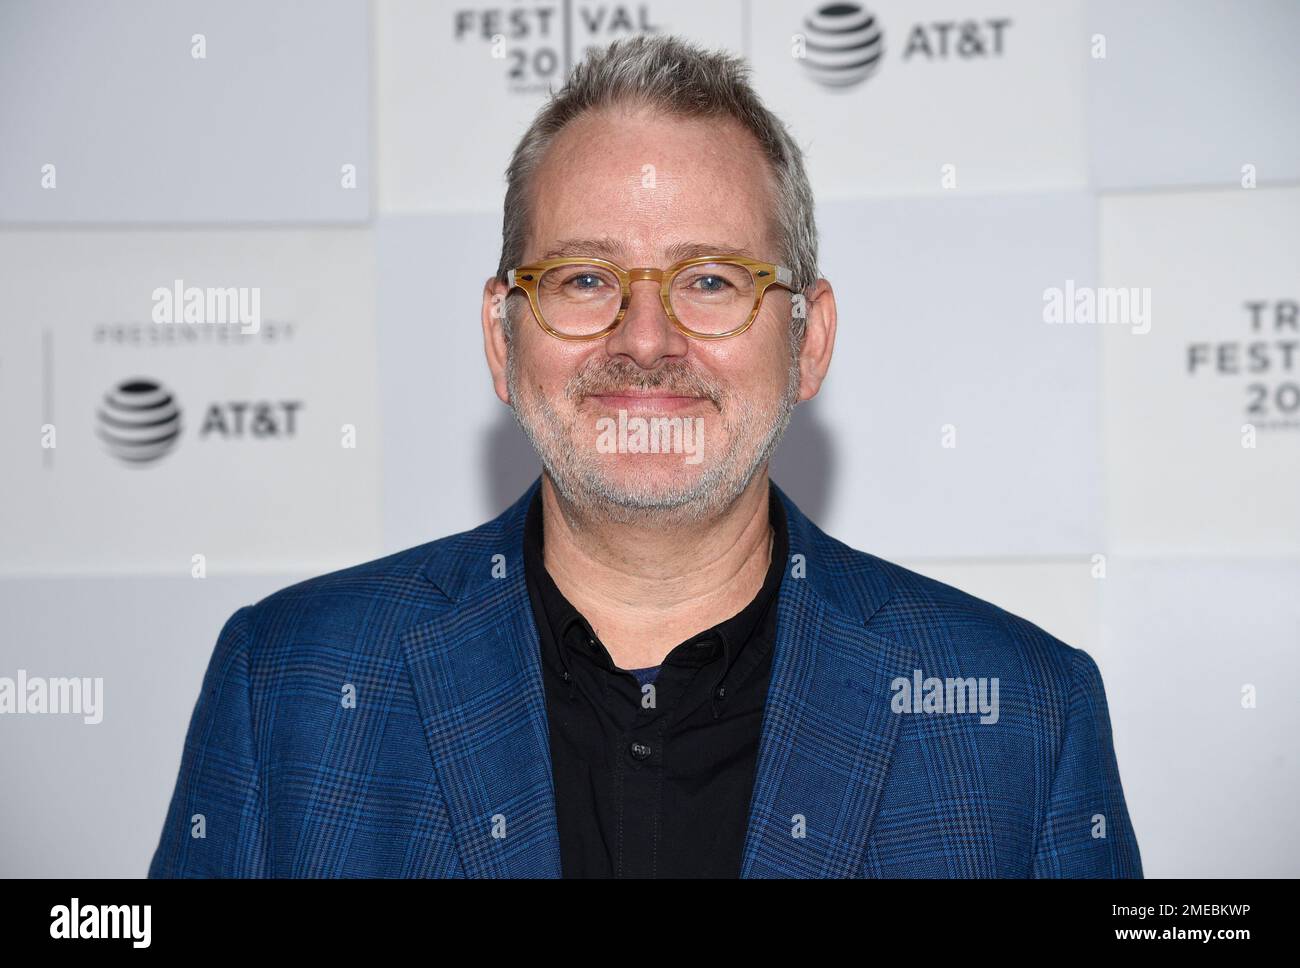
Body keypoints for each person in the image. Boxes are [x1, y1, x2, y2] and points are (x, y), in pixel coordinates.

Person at [149, 34, 1141, 878]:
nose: (647, 339)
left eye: (710, 280)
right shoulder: (288, 685)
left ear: (809, 339)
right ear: (503, 337)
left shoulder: (1023, 718)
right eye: (585, 276)